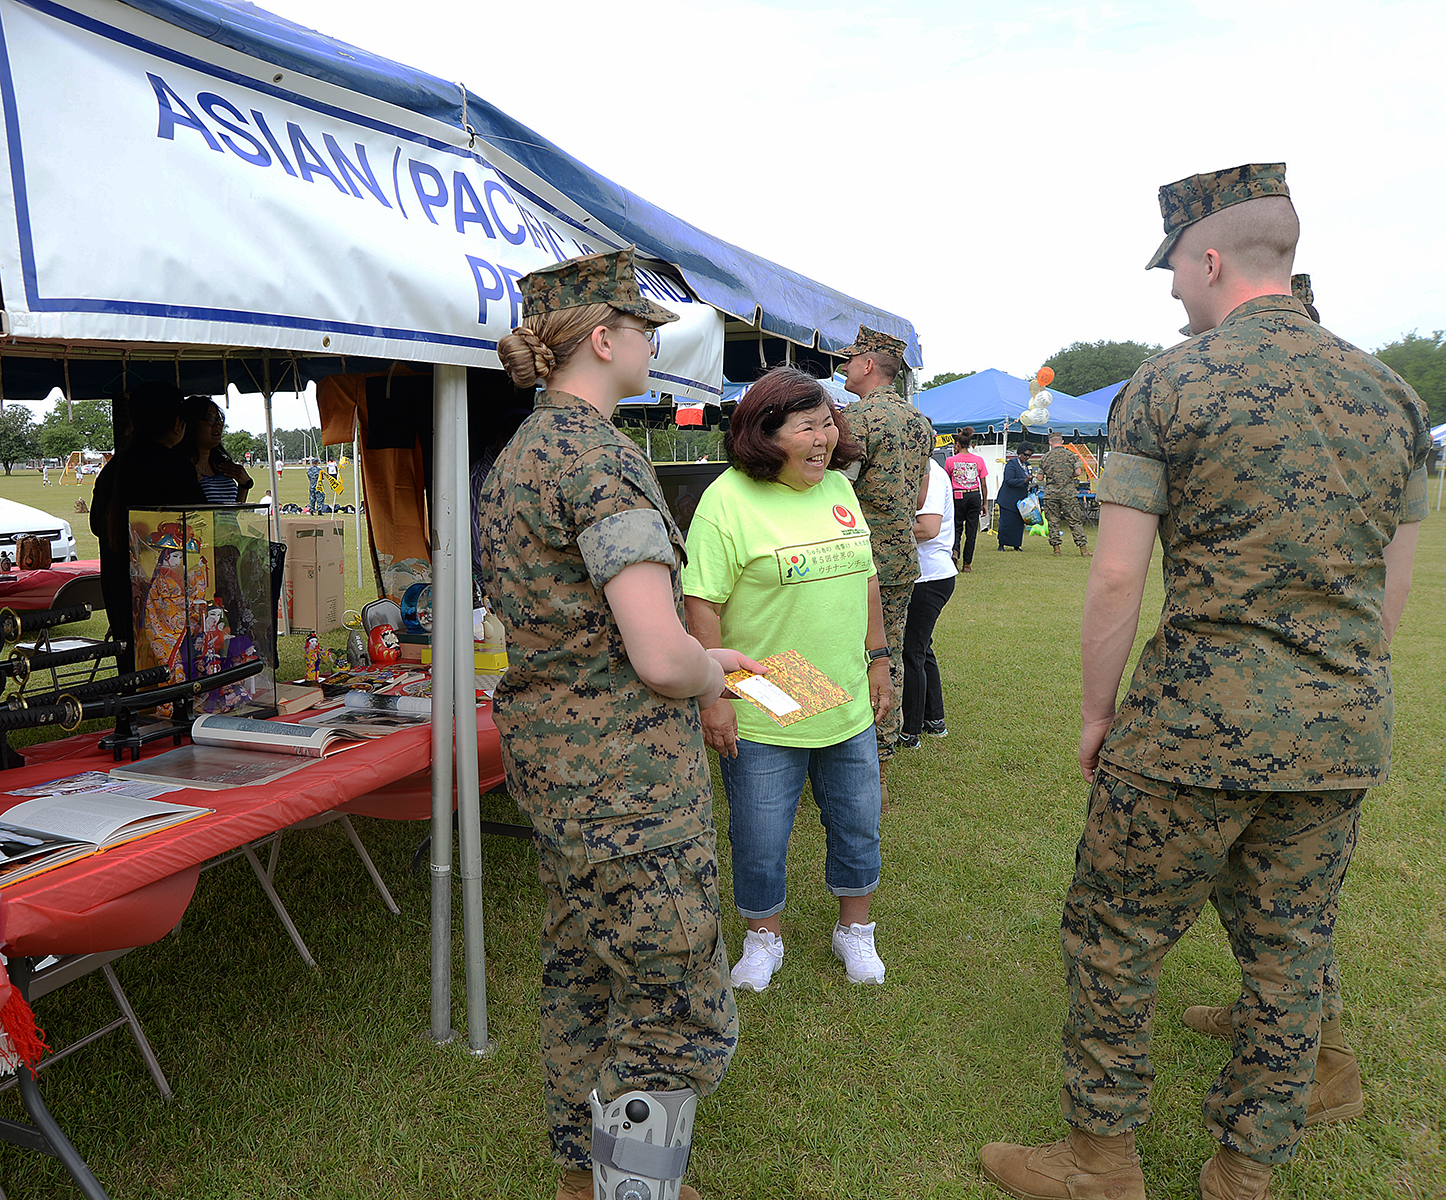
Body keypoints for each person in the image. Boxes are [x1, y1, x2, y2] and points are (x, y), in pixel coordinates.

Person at [978, 163, 1431, 1200]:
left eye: (1175, 267)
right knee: (1290, 949)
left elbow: (1118, 575)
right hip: (1340, 725)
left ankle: (1100, 1161)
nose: (1175, 287)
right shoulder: (1392, 394)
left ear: (1212, 258)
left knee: (1117, 934)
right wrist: (1333, 685)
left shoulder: (1172, 383)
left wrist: (1097, 714)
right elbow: (1390, 591)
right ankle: (1245, 1171)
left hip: (1192, 726)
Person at [476, 246, 757, 1200]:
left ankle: (581, 1180)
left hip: (558, 775)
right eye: (642, 328)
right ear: (602, 339)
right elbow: (660, 653)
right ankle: (633, 1191)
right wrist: (711, 667)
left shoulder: (518, 455)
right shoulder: (596, 457)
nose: (651, 344)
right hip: (627, 785)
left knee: (583, 973)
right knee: (673, 1006)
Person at [1181, 271, 1363, 1129]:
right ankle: (1286, 1028)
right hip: (1321, 703)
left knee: (1285, 902)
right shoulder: (1355, 401)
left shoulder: (1260, 397)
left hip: (1261, 704)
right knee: (1266, 887)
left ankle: (1324, 1060)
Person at [683, 365, 892, 994]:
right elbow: (702, 604)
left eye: (828, 423)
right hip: (764, 695)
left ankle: (854, 928)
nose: (824, 438)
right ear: (765, 433)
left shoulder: (839, 488)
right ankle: (763, 937)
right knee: (759, 831)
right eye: (807, 427)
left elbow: (867, 581)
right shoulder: (726, 501)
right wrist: (714, 696)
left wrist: (879, 660)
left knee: (857, 820)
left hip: (843, 695)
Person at [838, 324, 933, 792]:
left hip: (855, 560)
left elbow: (836, 491)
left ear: (868, 364)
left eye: (850, 360)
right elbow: (921, 497)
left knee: (847, 651)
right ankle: (882, 750)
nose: (845, 367)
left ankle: (846, 747)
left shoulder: (855, 420)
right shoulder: (920, 422)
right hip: (901, 557)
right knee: (887, 652)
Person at [90, 381, 206, 675]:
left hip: (118, 585)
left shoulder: (112, 469)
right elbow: (201, 527)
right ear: (177, 423)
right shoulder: (176, 467)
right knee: (169, 667)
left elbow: (95, 525)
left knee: (131, 669)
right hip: (163, 589)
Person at [898, 456, 956, 748]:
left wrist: (882, 533)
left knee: (912, 652)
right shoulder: (924, 468)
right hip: (930, 575)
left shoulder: (930, 472)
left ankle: (910, 730)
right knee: (921, 648)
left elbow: (929, 528)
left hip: (928, 576)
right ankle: (934, 719)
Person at [180, 395, 252, 504]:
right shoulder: (181, 468)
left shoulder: (222, 466)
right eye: (209, 419)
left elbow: (232, 512)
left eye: (218, 419)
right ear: (192, 424)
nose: (217, 424)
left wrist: (245, 485)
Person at [1037, 432, 1090, 558]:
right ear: (1062, 442)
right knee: (1074, 521)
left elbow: (1039, 478)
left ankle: (1057, 550)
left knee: (1053, 522)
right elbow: (1078, 472)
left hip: (1051, 494)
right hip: (1068, 493)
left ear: (1050, 443)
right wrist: (1068, 476)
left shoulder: (1045, 458)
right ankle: (1083, 550)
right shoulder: (1071, 455)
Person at [943, 427, 988, 570]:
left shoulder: (950, 461)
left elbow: (946, 482)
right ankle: (967, 564)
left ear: (958, 444)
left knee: (956, 528)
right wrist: (984, 503)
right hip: (974, 495)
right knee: (971, 530)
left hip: (957, 495)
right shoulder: (978, 460)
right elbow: (983, 484)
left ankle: (955, 551)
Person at [993, 444, 1036, 551]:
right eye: (1025, 455)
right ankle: (1002, 544)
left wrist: (1031, 483)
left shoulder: (1028, 465)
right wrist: (1024, 480)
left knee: (1018, 523)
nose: (1027, 457)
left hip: (1021, 500)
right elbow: (1009, 480)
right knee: (1006, 522)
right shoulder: (1011, 463)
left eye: (1029, 455)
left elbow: (1028, 480)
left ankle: (1016, 544)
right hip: (1008, 498)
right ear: (1020, 453)